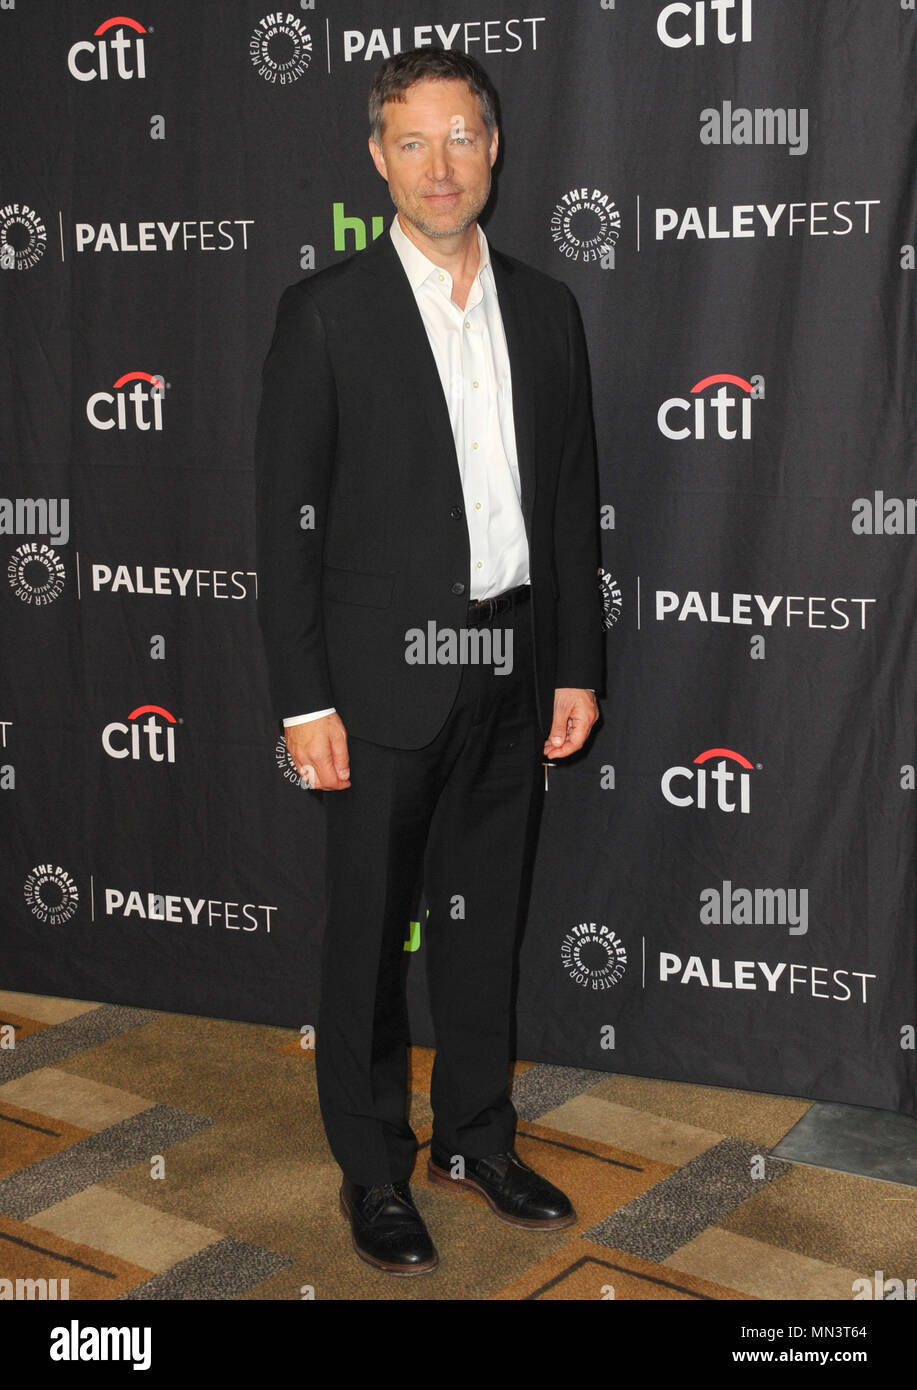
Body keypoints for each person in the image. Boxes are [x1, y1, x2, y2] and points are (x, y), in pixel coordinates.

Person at [254, 46, 604, 1276]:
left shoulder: (547, 308)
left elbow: (568, 504)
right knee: (367, 937)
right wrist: (303, 697)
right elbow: (282, 522)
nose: (439, 165)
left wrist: (572, 662)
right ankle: (371, 1167)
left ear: (494, 147)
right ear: (376, 159)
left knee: (482, 923)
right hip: (376, 678)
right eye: (411, 141)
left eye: (460, 136)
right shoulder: (326, 310)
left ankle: (473, 1138)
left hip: (511, 662)